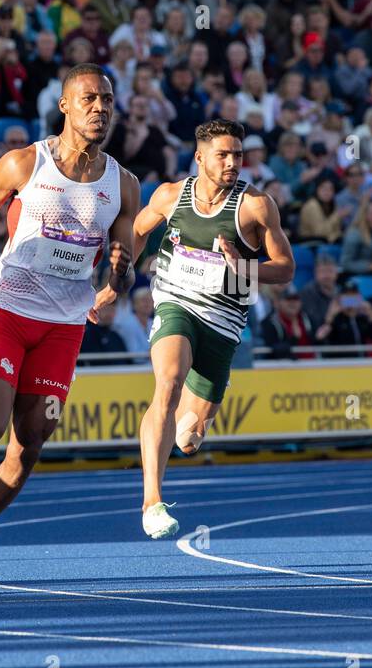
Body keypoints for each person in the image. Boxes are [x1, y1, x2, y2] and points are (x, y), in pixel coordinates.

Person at [0, 63, 139, 595]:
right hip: (9, 313)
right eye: (88, 99)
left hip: (63, 329)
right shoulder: (24, 163)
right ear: (64, 105)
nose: (99, 108)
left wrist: (120, 272)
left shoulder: (122, 183)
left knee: (29, 444)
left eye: (106, 99)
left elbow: (124, 264)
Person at [94, 119, 293, 538]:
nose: (233, 163)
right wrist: (117, 278)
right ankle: (152, 501)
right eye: (223, 155)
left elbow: (285, 268)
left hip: (224, 320)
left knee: (189, 439)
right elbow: (136, 232)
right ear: (199, 157)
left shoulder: (256, 205)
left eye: (238, 155)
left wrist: (243, 267)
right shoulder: (170, 195)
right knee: (167, 382)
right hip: (175, 302)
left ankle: (184, 433)